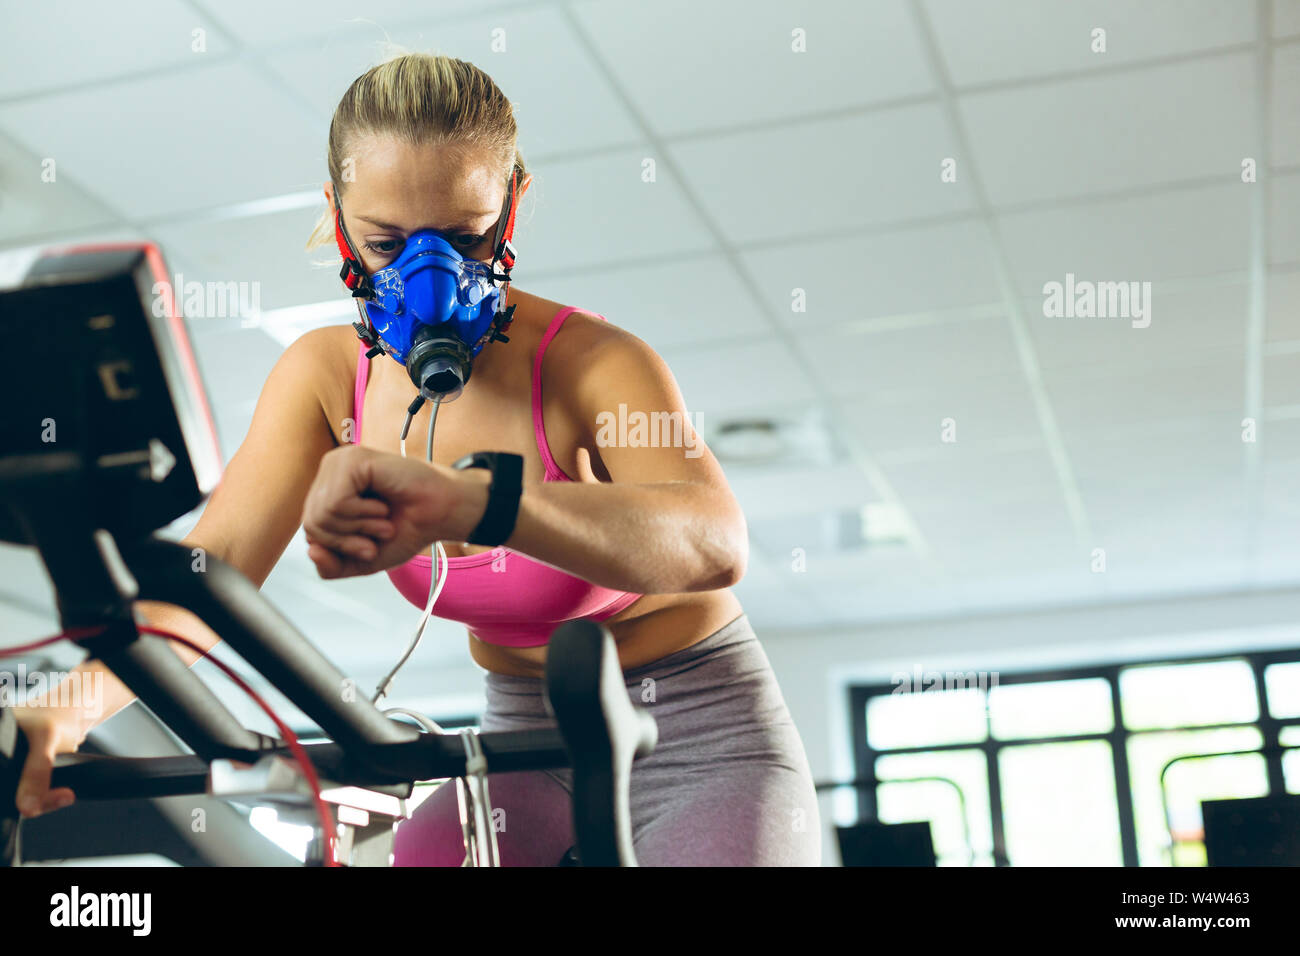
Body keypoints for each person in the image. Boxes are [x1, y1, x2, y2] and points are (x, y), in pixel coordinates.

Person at [12, 52, 821, 867]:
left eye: (466, 237)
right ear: (336, 217)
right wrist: (62, 713)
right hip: (523, 749)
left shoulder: (596, 362)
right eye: (386, 240)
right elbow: (206, 576)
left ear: (513, 206)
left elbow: (714, 542)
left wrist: (475, 501)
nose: (427, 278)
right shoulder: (324, 379)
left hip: (702, 740)